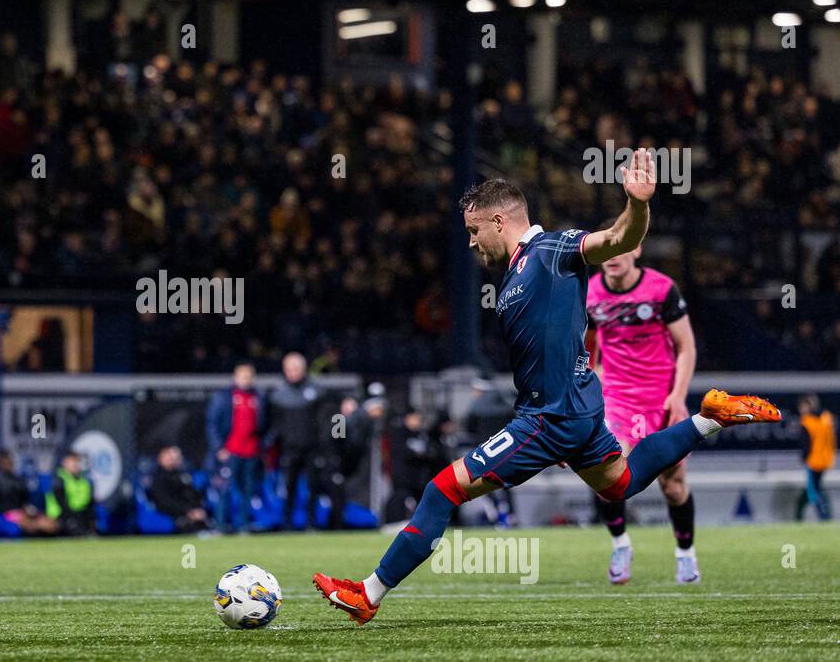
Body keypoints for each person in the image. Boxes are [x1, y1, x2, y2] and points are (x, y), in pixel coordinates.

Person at [314, 151, 782, 625]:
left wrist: (638, 205)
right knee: (619, 483)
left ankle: (368, 595)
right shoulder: (519, 269)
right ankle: (711, 417)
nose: (473, 244)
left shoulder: (553, 251)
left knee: (441, 490)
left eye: (475, 231)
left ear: (499, 221)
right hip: (572, 410)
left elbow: (619, 237)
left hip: (549, 417)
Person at [587, 243, 699, 582]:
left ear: (636, 250)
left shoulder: (661, 289)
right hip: (619, 400)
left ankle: (685, 554)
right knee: (607, 477)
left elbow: (686, 347)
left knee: (674, 487)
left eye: (620, 249)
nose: (613, 257)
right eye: (606, 251)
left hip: (662, 400)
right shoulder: (590, 293)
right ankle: (621, 545)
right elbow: (588, 348)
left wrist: (678, 397)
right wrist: (593, 384)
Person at [268, 352, 327, 529]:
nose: (293, 372)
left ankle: (311, 523)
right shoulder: (277, 396)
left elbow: (330, 421)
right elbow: (272, 425)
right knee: (288, 488)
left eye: (296, 368)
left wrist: (328, 443)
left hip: (312, 448)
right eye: (289, 368)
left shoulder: (317, 392)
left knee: (312, 487)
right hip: (289, 449)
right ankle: (287, 524)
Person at [206, 363, 266, 533]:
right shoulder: (224, 397)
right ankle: (220, 525)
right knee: (224, 489)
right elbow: (212, 424)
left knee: (247, 490)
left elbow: (265, 424)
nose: (246, 380)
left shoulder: (258, 397)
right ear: (235, 377)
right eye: (243, 376)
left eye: (249, 376)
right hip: (230, 452)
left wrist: (262, 445)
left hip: (251, 452)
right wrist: (219, 447)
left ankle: (244, 525)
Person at [323, 397, 385, 530]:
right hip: (336, 465)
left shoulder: (360, 423)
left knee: (342, 498)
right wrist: (336, 463)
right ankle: (335, 525)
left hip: (346, 466)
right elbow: (336, 444)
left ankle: (338, 524)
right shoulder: (339, 420)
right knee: (336, 498)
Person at [0, 450, 55, 534]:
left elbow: (24, 499)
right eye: (6, 460)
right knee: (26, 522)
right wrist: (13, 510)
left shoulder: (17, 479)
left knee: (49, 523)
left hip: (22, 511)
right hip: (5, 513)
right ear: (0, 462)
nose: (10, 463)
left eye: (11, 460)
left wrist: (28, 508)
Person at [148, 446, 210, 533]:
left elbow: (192, 495)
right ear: (161, 459)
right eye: (170, 458)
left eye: (176, 458)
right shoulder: (159, 478)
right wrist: (187, 511)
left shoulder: (183, 475)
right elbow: (164, 501)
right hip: (172, 513)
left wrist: (197, 509)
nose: (174, 460)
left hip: (188, 511)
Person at [797, 395, 834, 520]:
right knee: (816, 488)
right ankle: (801, 514)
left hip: (813, 461)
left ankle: (824, 516)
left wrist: (803, 458)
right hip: (825, 459)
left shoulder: (807, 421)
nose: (801, 409)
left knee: (813, 492)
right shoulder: (826, 418)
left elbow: (806, 444)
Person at [45, 452, 94, 536]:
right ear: (65, 463)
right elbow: (62, 504)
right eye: (72, 462)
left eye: (77, 462)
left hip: (80, 515)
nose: (75, 465)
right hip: (60, 516)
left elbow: (89, 502)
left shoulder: (84, 480)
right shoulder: (59, 480)